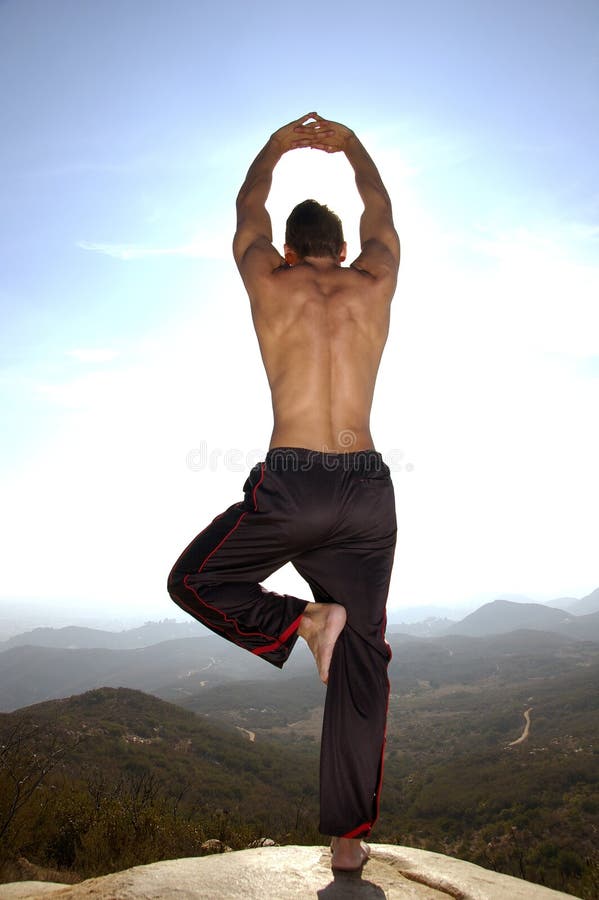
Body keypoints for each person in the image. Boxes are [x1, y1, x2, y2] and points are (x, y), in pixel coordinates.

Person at [167, 112, 400, 871]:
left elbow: (247, 212)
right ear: (344, 250)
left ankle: (302, 622)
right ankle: (348, 841)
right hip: (366, 488)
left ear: (292, 249)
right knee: (364, 655)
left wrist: (276, 145)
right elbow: (381, 210)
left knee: (196, 579)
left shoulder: (269, 276)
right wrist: (351, 145)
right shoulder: (375, 277)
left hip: (295, 479)